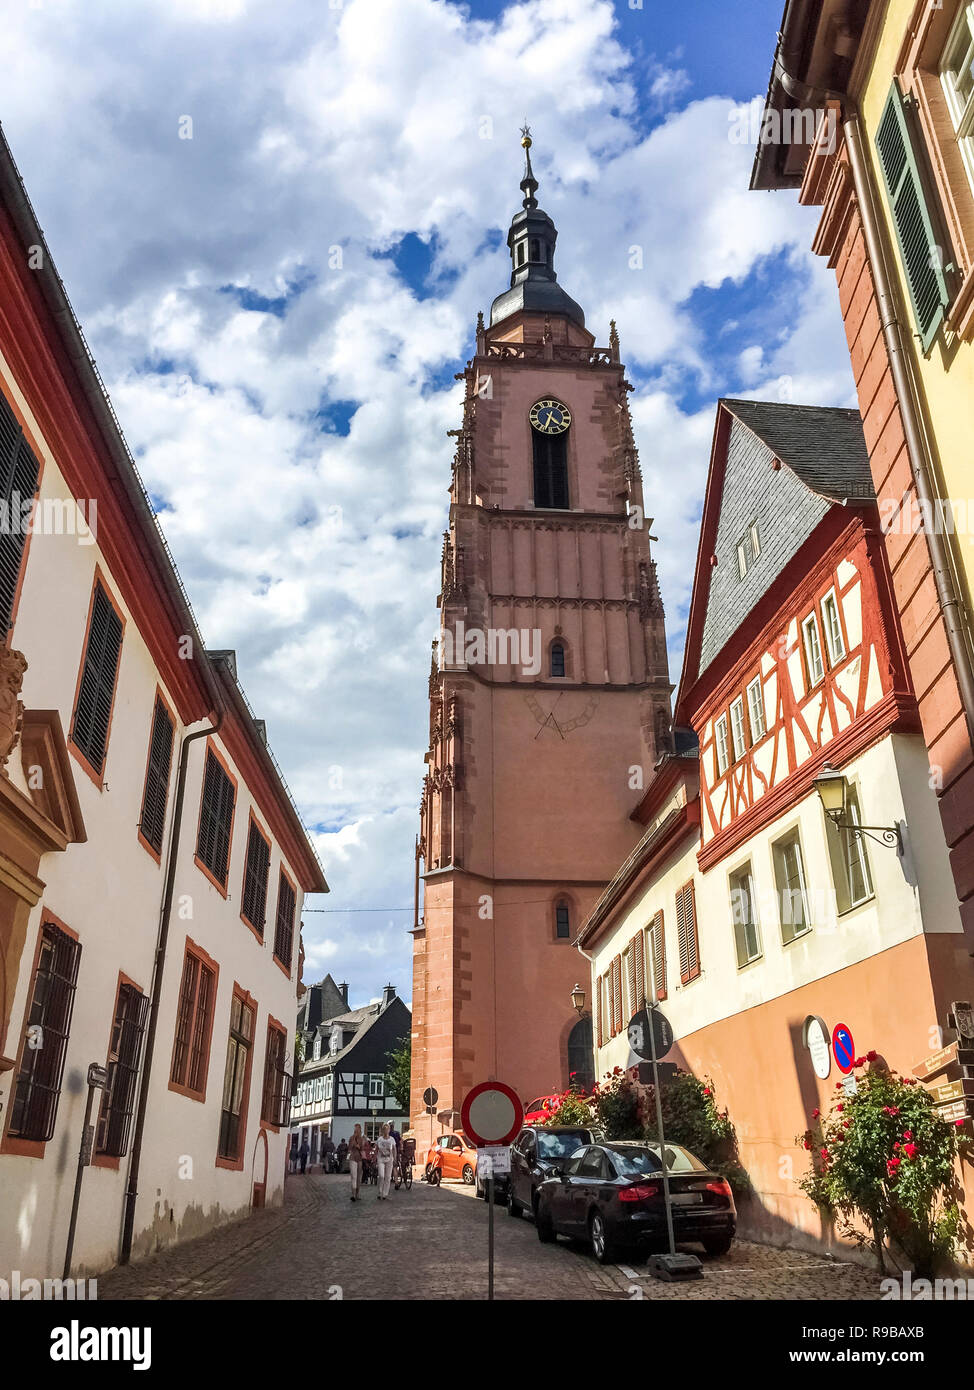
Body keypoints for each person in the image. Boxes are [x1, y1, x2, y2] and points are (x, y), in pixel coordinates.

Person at [376, 1123, 396, 1200]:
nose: (386, 1131)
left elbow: (394, 1149)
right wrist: (374, 1158)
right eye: (385, 1129)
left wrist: (395, 1158)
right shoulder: (380, 1139)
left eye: (387, 1129)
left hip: (389, 1159)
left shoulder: (392, 1139)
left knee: (388, 1177)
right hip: (380, 1159)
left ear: (389, 1130)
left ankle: (385, 1193)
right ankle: (379, 1191)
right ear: (383, 1130)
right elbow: (376, 1149)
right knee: (381, 1176)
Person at [347, 1124, 365, 1200]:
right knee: (353, 1176)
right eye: (355, 1130)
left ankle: (357, 1194)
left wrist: (359, 1147)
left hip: (359, 1159)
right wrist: (354, 1138)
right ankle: (353, 1195)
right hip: (353, 1158)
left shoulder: (362, 1139)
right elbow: (349, 1148)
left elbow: (362, 1149)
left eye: (358, 1130)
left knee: (358, 1178)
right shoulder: (351, 1138)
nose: (356, 1131)